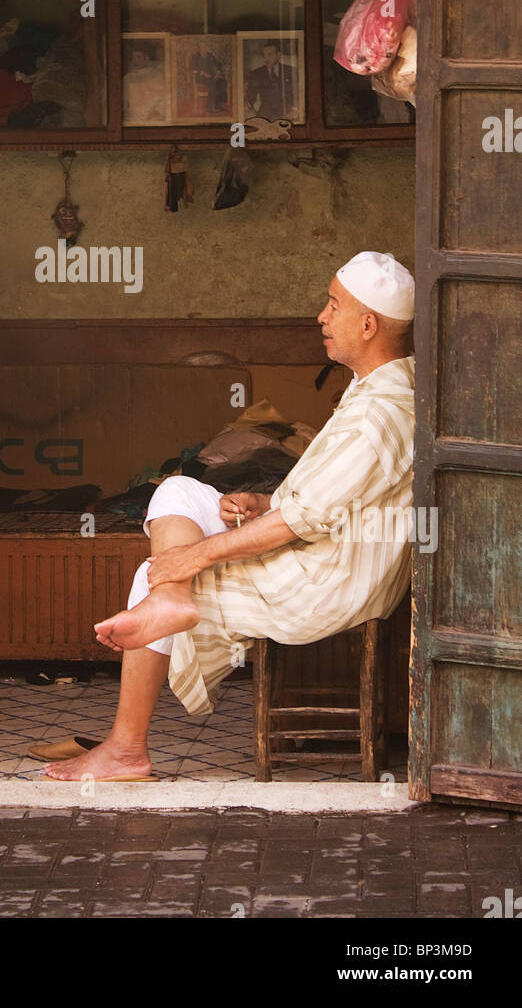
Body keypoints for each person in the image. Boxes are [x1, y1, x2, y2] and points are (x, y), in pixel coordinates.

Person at [44, 251, 416, 782]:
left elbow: (300, 524)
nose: (321, 317)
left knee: (152, 573)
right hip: (316, 546)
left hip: (324, 579)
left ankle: (126, 750)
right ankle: (170, 599)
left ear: (368, 323)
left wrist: (192, 557)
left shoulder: (380, 413)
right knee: (178, 489)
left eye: (333, 305)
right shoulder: (375, 386)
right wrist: (263, 503)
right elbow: (324, 500)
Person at [246, 40, 298, 119]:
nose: (266, 59)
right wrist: (253, 112)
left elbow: (298, 94)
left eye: (270, 55)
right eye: (264, 55)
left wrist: (295, 110)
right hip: (265, 116)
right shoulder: (257, 73)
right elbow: (250, 97)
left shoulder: (291, 71)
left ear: (279, 55)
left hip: (288, 115)